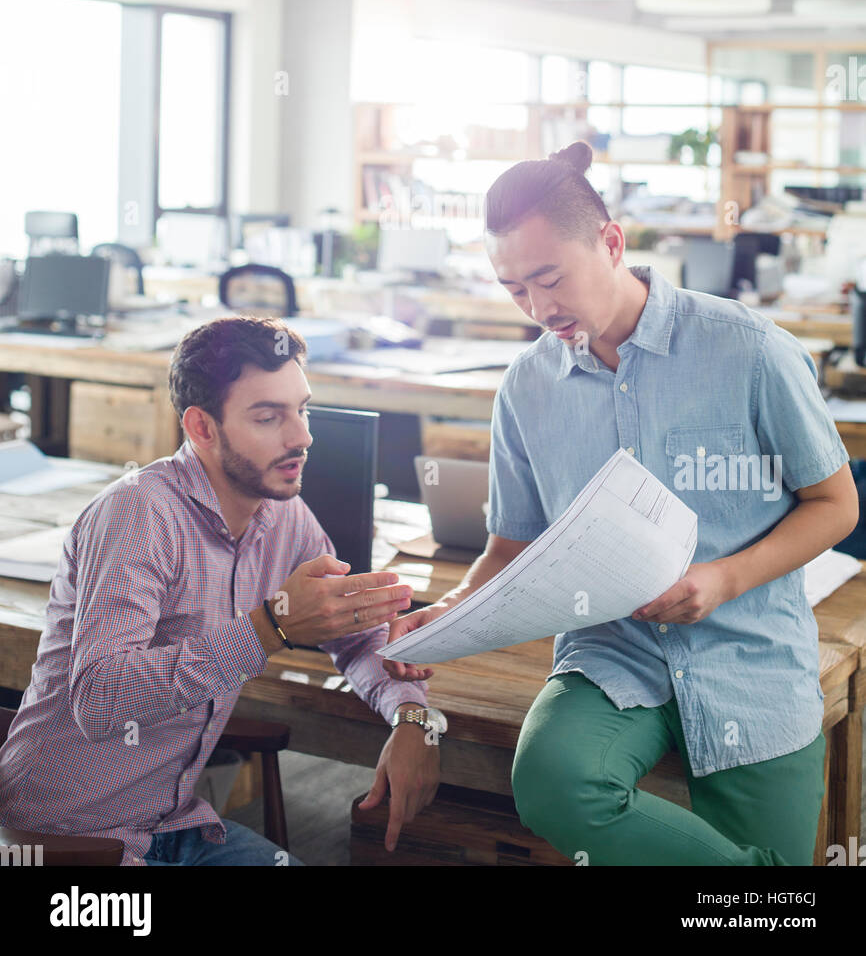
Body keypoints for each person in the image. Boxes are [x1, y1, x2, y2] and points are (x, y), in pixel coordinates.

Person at [385, 140, 859, 866]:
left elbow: (836, 504)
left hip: (750, 653)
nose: (539, 308)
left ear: (611, 243)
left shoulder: (749, 350)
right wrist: (449, 619)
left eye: (550, 278)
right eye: (515, 289)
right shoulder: (527, 386)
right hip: (612, 654)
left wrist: (723, 579)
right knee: (555, 784)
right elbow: (509, 549)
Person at [0, 315, 440, 866]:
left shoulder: (285, 516)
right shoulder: (139, 514)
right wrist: (271, 627)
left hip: (178, 825)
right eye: (268, 417)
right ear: (203, 429)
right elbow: (102, 699)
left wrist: (412, 718)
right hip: (67, 837)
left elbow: (356, 637)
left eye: (301, 409)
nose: (302, 435)